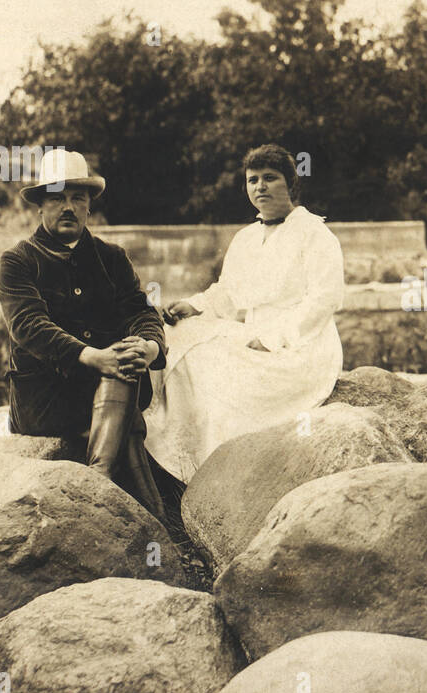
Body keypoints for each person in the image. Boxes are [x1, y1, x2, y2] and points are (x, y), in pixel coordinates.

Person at [144, 144, 344, 484]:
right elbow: (229, 292)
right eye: (253, 180)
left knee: (218, 370)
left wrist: (273, 339)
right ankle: (182, 462)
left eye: (270, 178)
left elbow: (323, 300)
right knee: (182, 338)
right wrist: (194, 305)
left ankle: (221, 472)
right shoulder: (246, 238)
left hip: (302, 347)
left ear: (291, 184)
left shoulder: (314, 233)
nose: (260, 187)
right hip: (251, 335)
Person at [0, 148, 168, 520]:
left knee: (126, 360)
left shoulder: (112, 258)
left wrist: (151, 346)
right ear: (40, 207)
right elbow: (28, 325)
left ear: (90, 206)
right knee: (125, 396)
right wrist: (92, 356)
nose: (68, 207)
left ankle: (106, 484)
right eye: (57, 198)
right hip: (46, 399)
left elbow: (141, 311)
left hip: (107, 389)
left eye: (78, 198)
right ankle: (149, 516)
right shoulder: (18, 261)